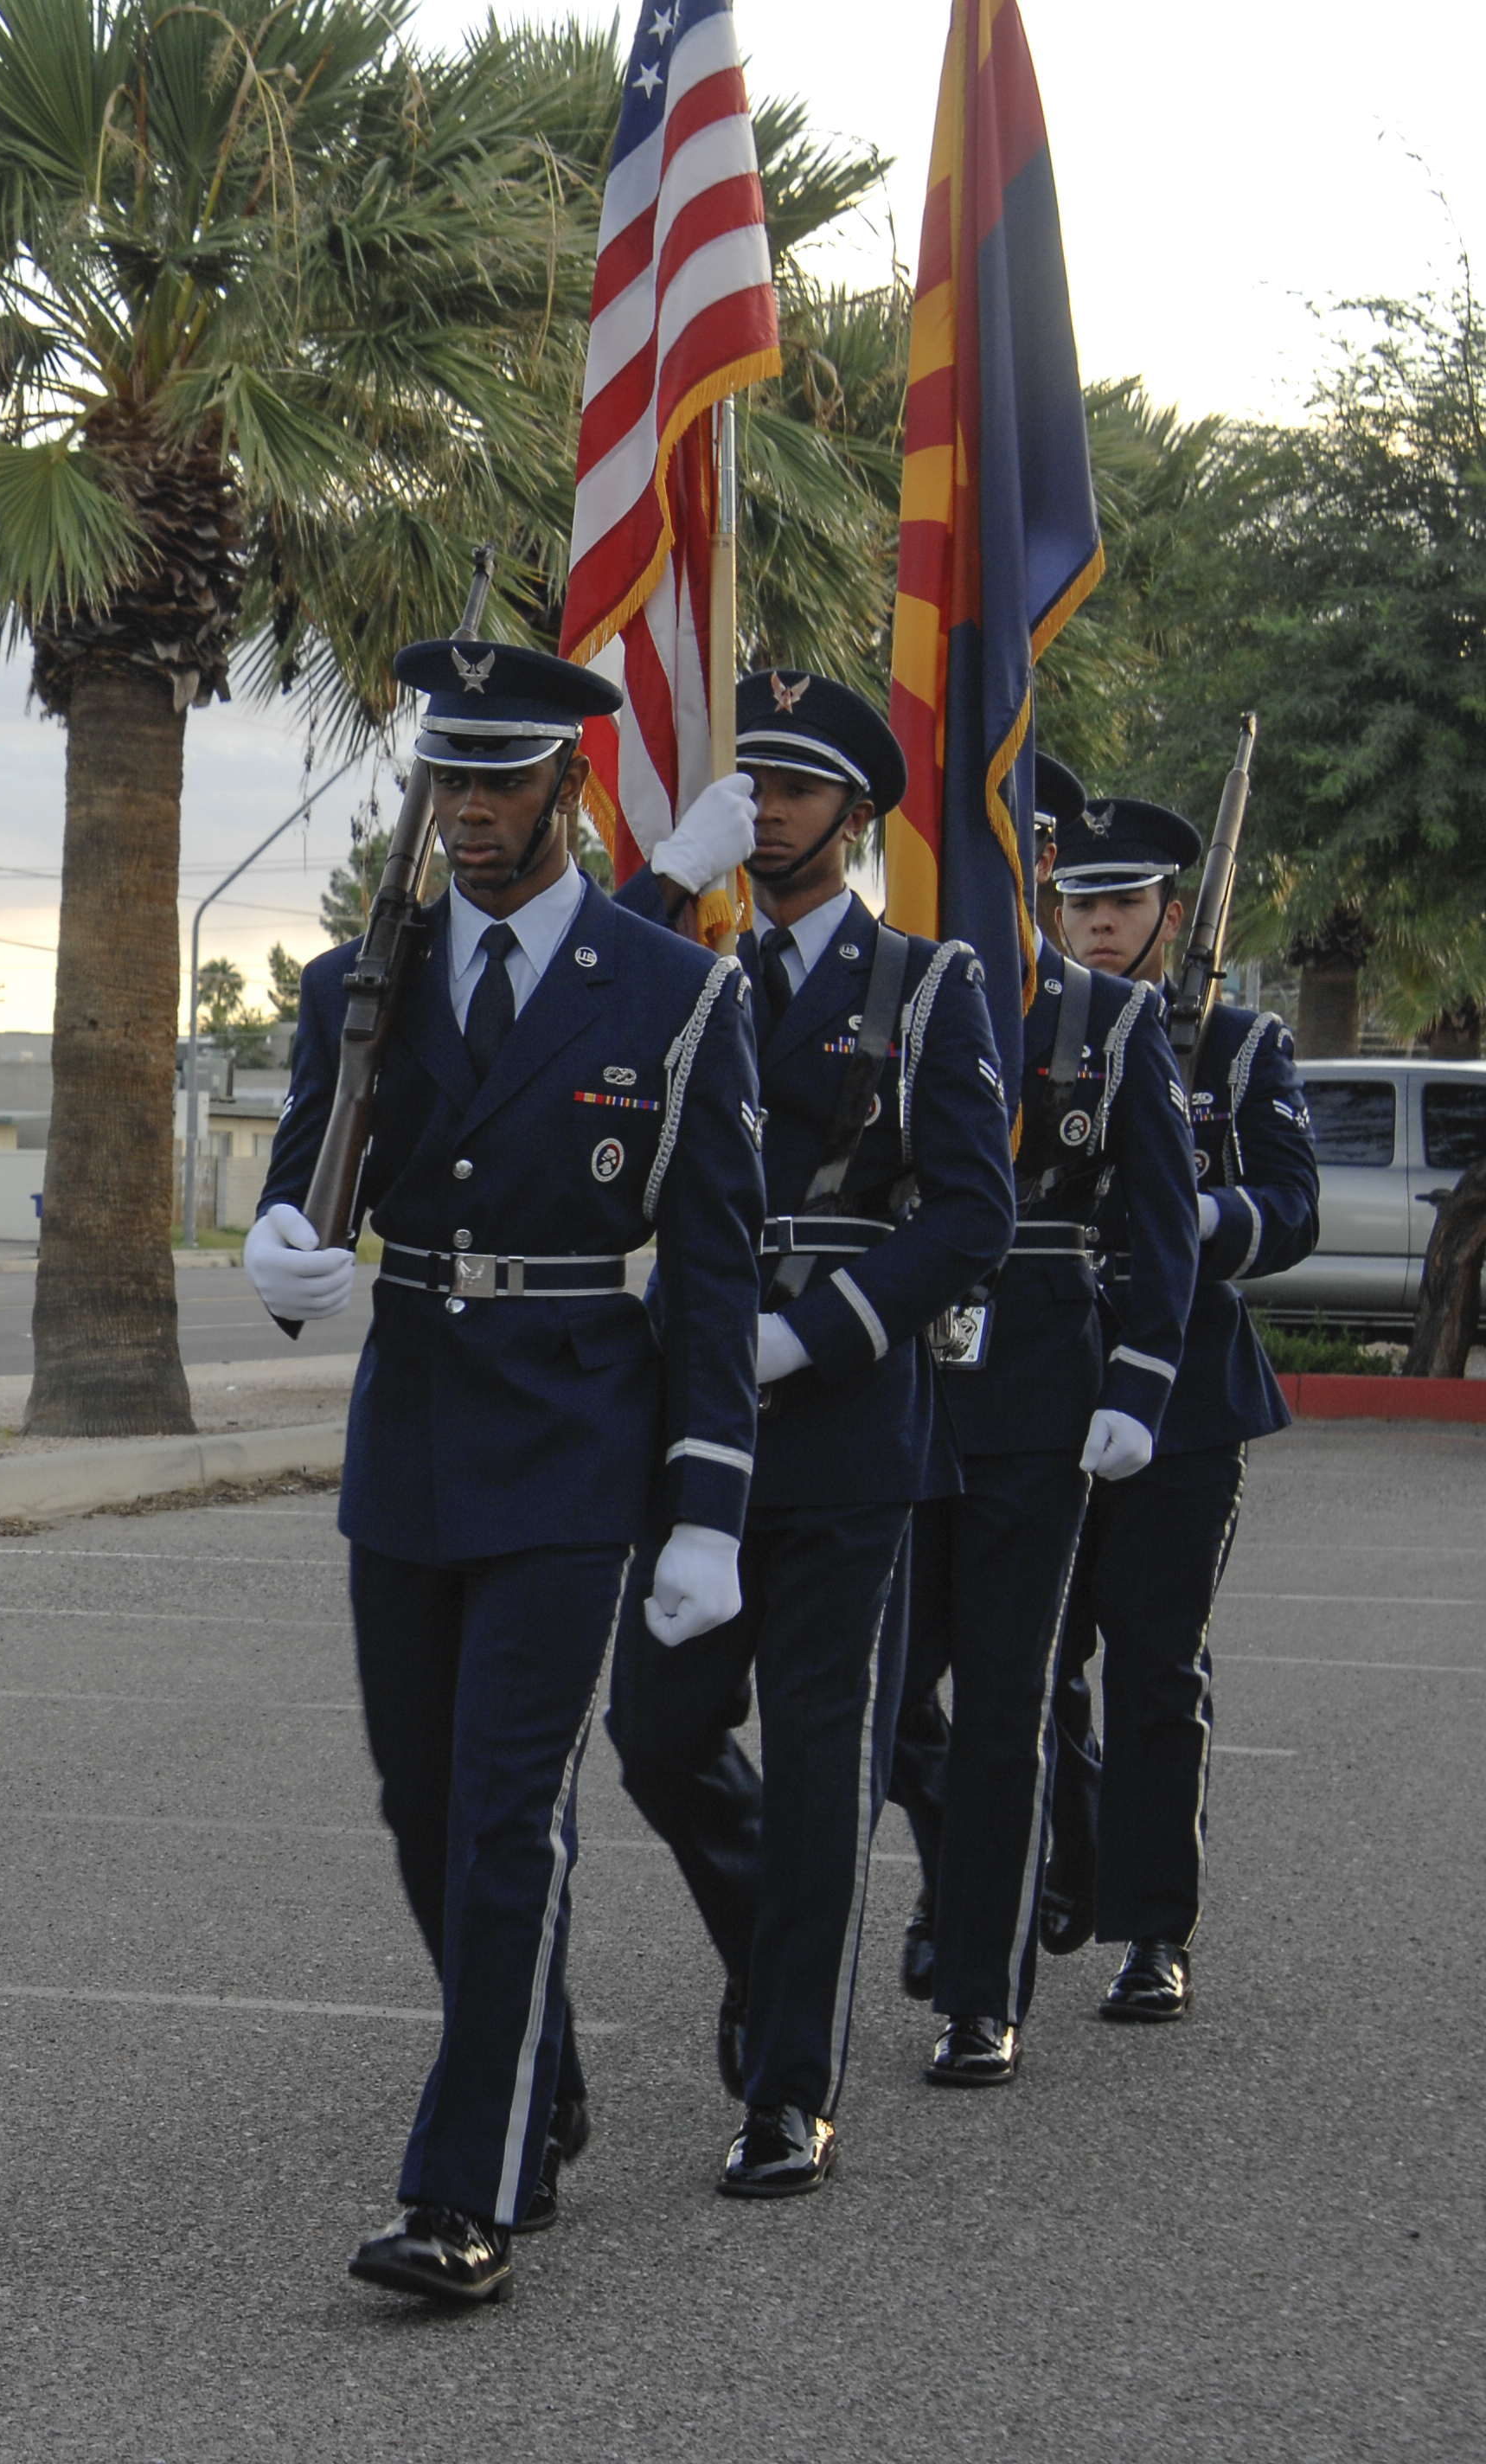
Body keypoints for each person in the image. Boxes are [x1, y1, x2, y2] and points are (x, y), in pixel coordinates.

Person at [247, 638, 763, 2304]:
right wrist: (277, 1256)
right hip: (405, 1422)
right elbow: (299, 1185)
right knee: (418, 1804)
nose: (465, 809)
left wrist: (705, 1498)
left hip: (570, 1435)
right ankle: (531, 2072)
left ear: (567, 786)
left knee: (502, 1812)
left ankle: (457, 2191)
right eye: (443, 777)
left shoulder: (671, 993)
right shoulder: (356, 979)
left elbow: (711, 1265)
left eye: (497, 779)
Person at [602, 671, 1014, 2198]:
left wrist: (809, 1329)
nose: (761, 807)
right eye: (748, 783)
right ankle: (772, 1943)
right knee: (651, 1732)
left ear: (854, 814)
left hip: (844, 1427)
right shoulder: (681, 966)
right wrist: (659, 876)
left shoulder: (922, 985)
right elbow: (589, 1028)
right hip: (692, 1417)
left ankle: (791, 2086)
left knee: (824, 1754)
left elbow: (973, 1210)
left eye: (790, 786)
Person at [887, 753, 1198, 2089]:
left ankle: (980, 1990)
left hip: (1036, 1393)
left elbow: (1168, 1221)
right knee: (887, 1706)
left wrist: (1136, 1383)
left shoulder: (1109, 1022)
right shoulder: (888, 995)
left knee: (1012, 1697)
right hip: (892, 1390)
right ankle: (984, 1865)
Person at [1044, 792, 1315, 2022]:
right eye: (1080, 904)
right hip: (1046, 1382)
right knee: (1035, 1665)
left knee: (1155, 1665)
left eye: (1122, 904)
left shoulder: (1241, 1044)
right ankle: (1071, 1859)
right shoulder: (1040, 1028)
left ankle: (1155, 1929)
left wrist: (1194, 1214)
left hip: (1191, 1396)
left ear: (1170, 914)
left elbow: (1294, 1208)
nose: (1098, 926)